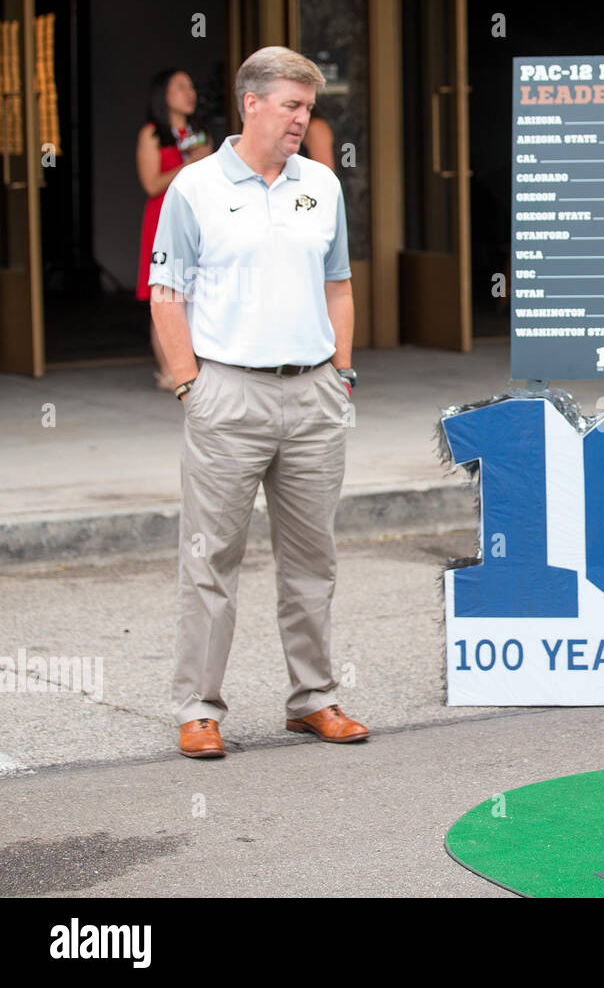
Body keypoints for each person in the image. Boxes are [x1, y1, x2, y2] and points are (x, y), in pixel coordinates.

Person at [149, 46, 365, 759]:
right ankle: (199, 708)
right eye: (292, 105)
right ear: (251, 104)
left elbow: (338, 285)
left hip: (312, 395)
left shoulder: (322, 186)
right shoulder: (195, 187)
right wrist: (190, 385)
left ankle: (314, 700)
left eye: (309, 107)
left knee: (313, 560)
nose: (304, 118)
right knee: (210, 559)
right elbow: (166, 294)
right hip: (227, 394)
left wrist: (341, 372)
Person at [136, 69, 212, 389]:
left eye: (191, 85)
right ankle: (169, 371)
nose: (189, 92)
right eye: (181, 86)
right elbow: (151, 183)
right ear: (163, 94)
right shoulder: (152, 134)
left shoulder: (201, 134)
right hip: (163, 217)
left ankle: (199, 364)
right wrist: (189, 164)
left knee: (199, 292)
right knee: (166, 290)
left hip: (199, 218)